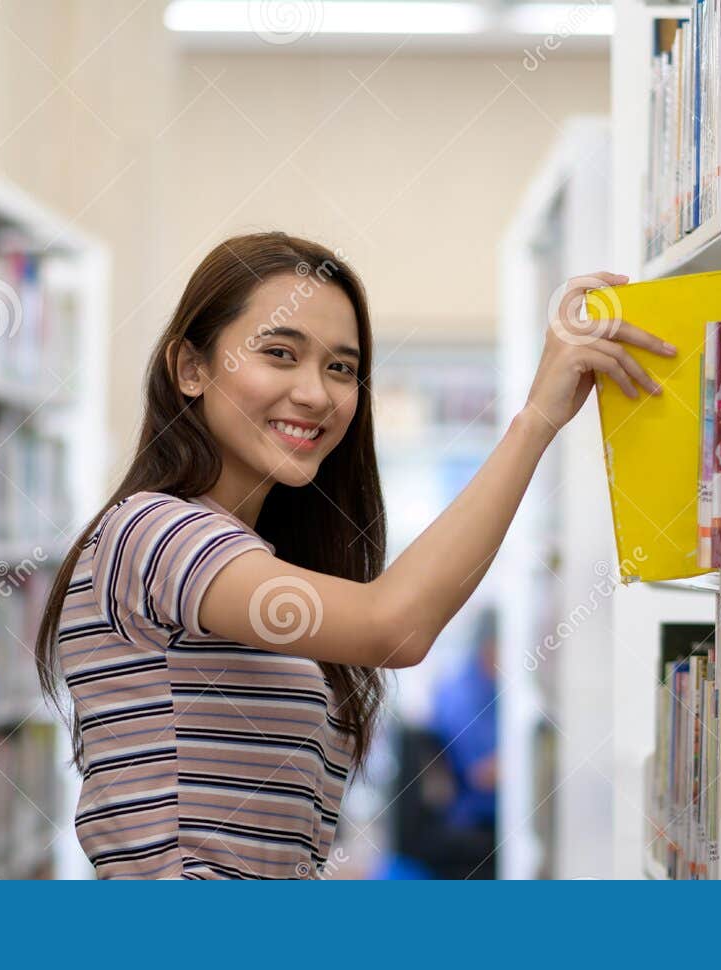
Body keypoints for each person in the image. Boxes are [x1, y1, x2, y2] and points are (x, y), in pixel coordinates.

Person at [34, 231, 670, 879]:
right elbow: (393, 627)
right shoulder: (154, 531)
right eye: (280, 353)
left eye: (341, 368)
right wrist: (536, 419)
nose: (316, 394)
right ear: (190, 368)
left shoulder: (250, 555)